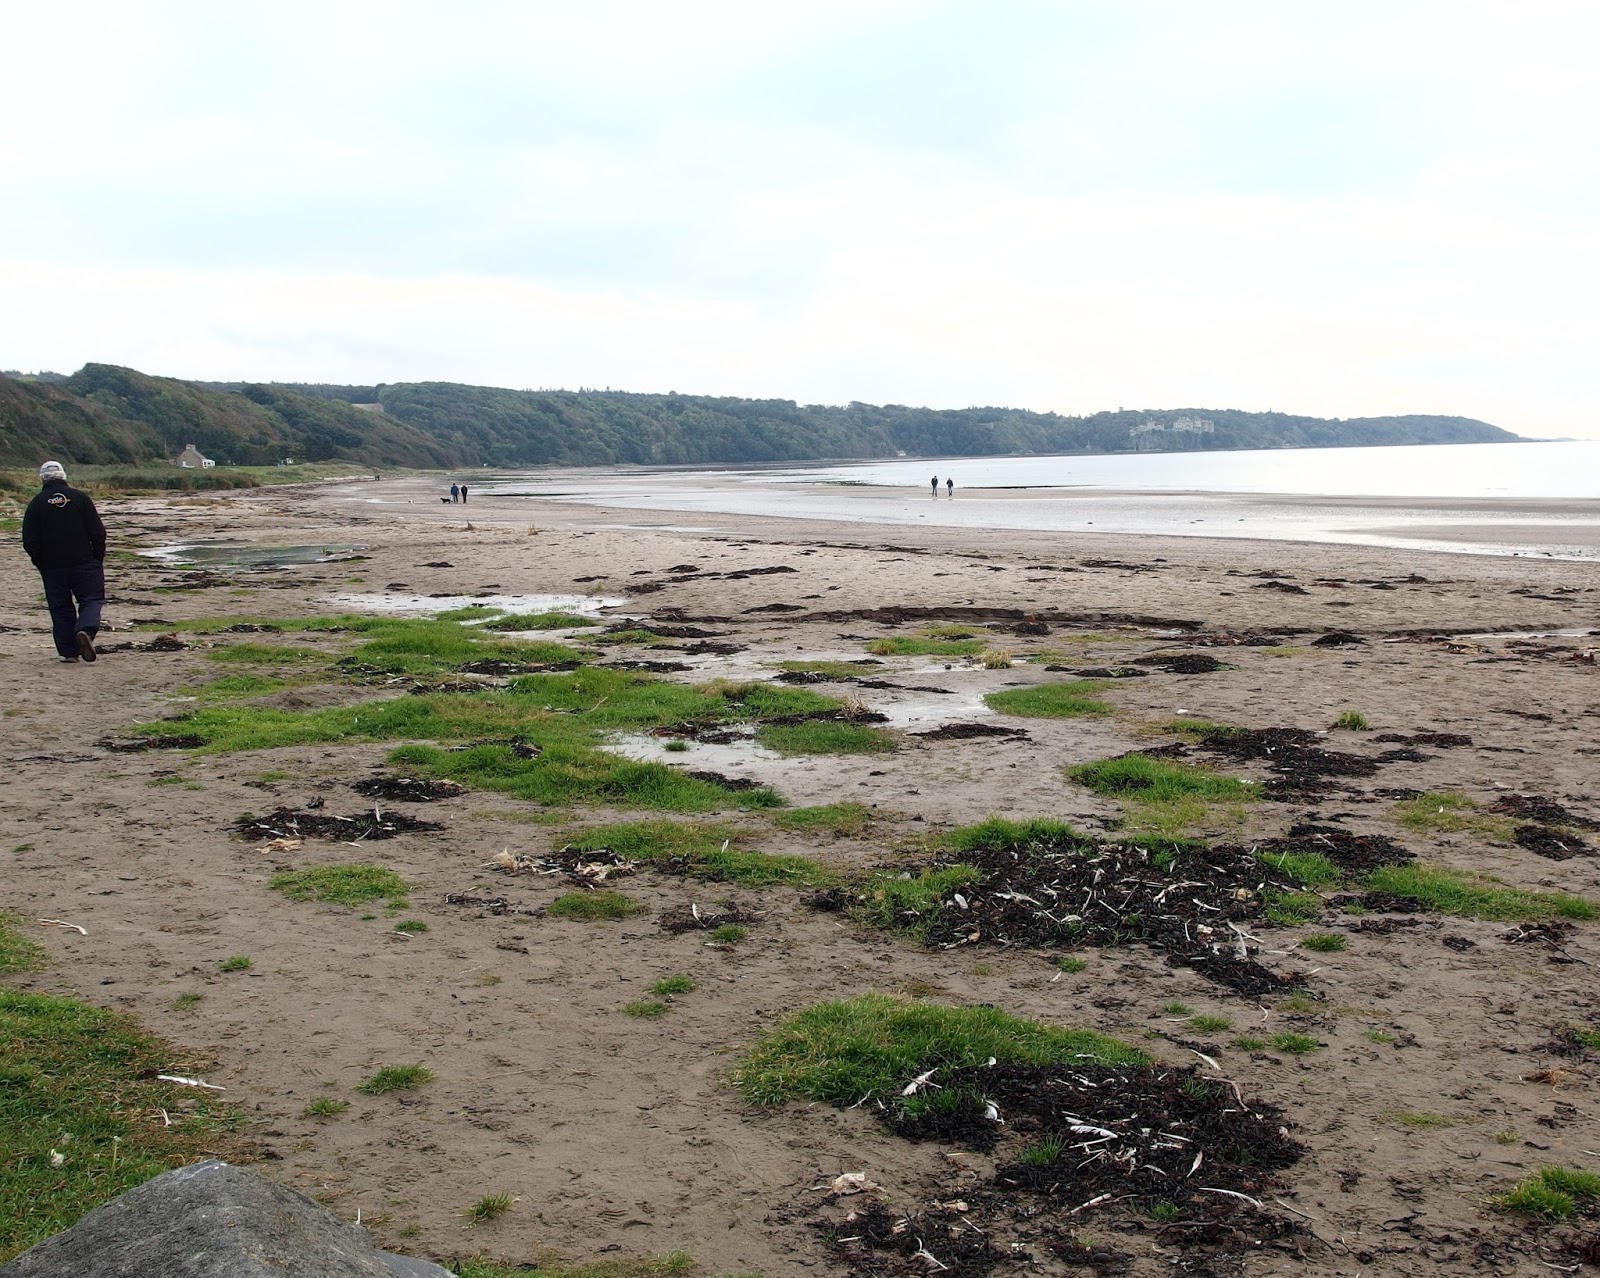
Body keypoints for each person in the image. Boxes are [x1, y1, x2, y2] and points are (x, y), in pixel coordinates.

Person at [22, 461, 107, 663]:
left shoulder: (36, 503)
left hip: (52, 566)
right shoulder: (80, 498)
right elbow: (97, 532)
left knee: (60, 608)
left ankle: (69, 652)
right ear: (63, 476)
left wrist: (40, 562)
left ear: (42, 478)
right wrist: (97, 558)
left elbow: (29, 540)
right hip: (85, 561)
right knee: (92, 600)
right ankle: (85, 629)